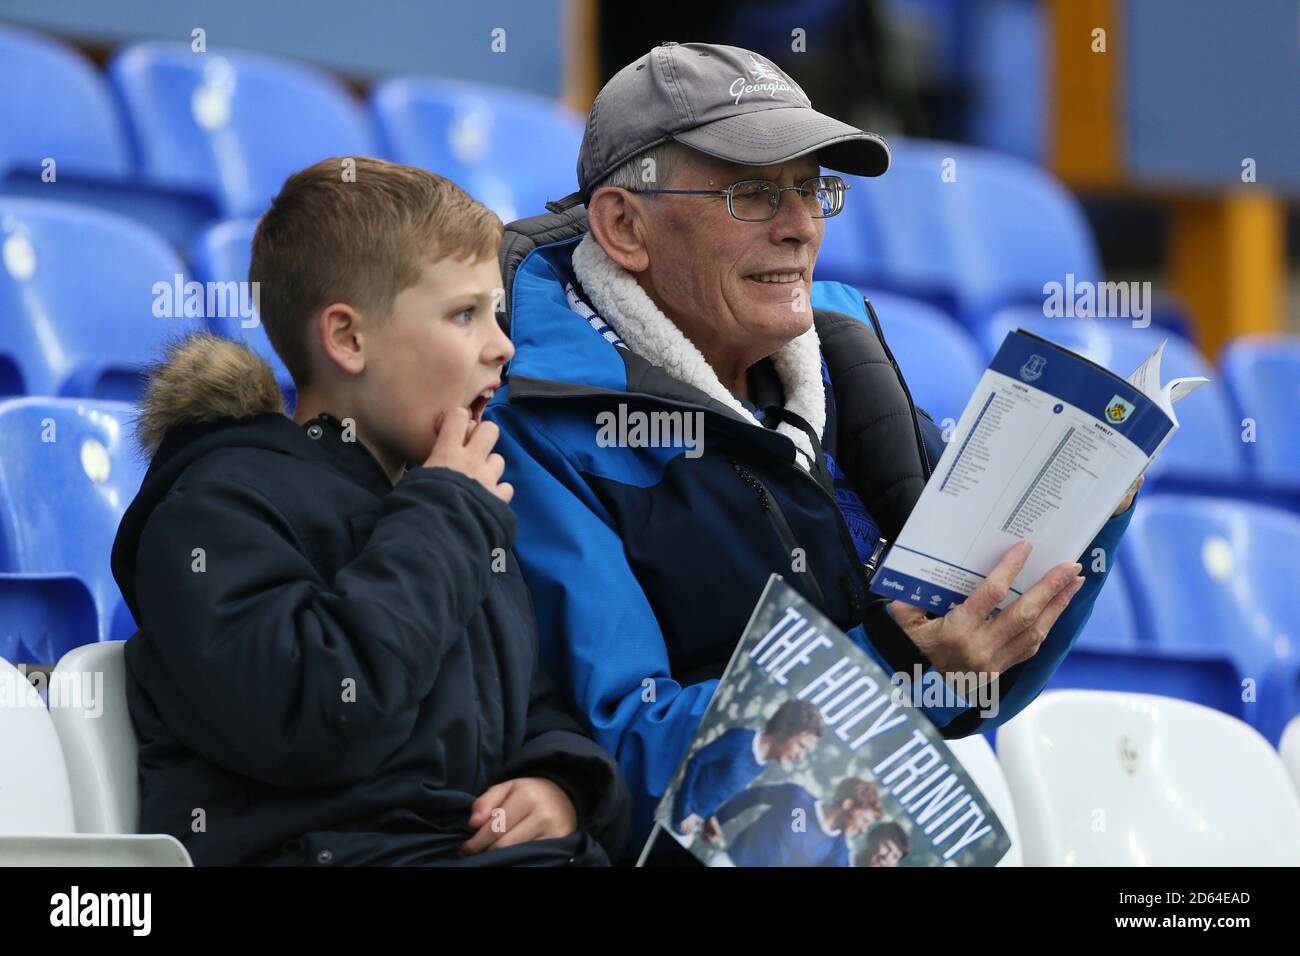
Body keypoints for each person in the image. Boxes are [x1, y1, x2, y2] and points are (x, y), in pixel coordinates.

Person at [487, 41, 1142, 851]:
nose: (801, 227)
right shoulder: (537, 428)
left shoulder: (848, 365)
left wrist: (1086, 514)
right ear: (624, 226)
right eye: (755, 194)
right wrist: (894, 666)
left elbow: (973, 685)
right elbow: (619, 755)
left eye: (811, 190)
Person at [111, 157, 628, 866]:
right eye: (463, 314)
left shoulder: (450, 503)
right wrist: (449, 515)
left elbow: (524, 702)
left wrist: (558, 781)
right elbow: (313, 711)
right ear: (349, 339)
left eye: (498, 313)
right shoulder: (217, 505)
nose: (502, 346)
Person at [673, 699, 825, 837]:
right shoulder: (740, 739)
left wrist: (709, 817)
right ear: (785, 729)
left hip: (690, 826)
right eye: (801, 746)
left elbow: (713, 787)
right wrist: (684, 811)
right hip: (673, 815)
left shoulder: (761, 765)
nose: (800, 756)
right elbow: (695, 762)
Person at [710, 777, 882, 867]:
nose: (862, 830)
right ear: (848, 805)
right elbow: (751, 796)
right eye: (864, 820)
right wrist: (716, 818)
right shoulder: (797, 798)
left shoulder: (838, 848)